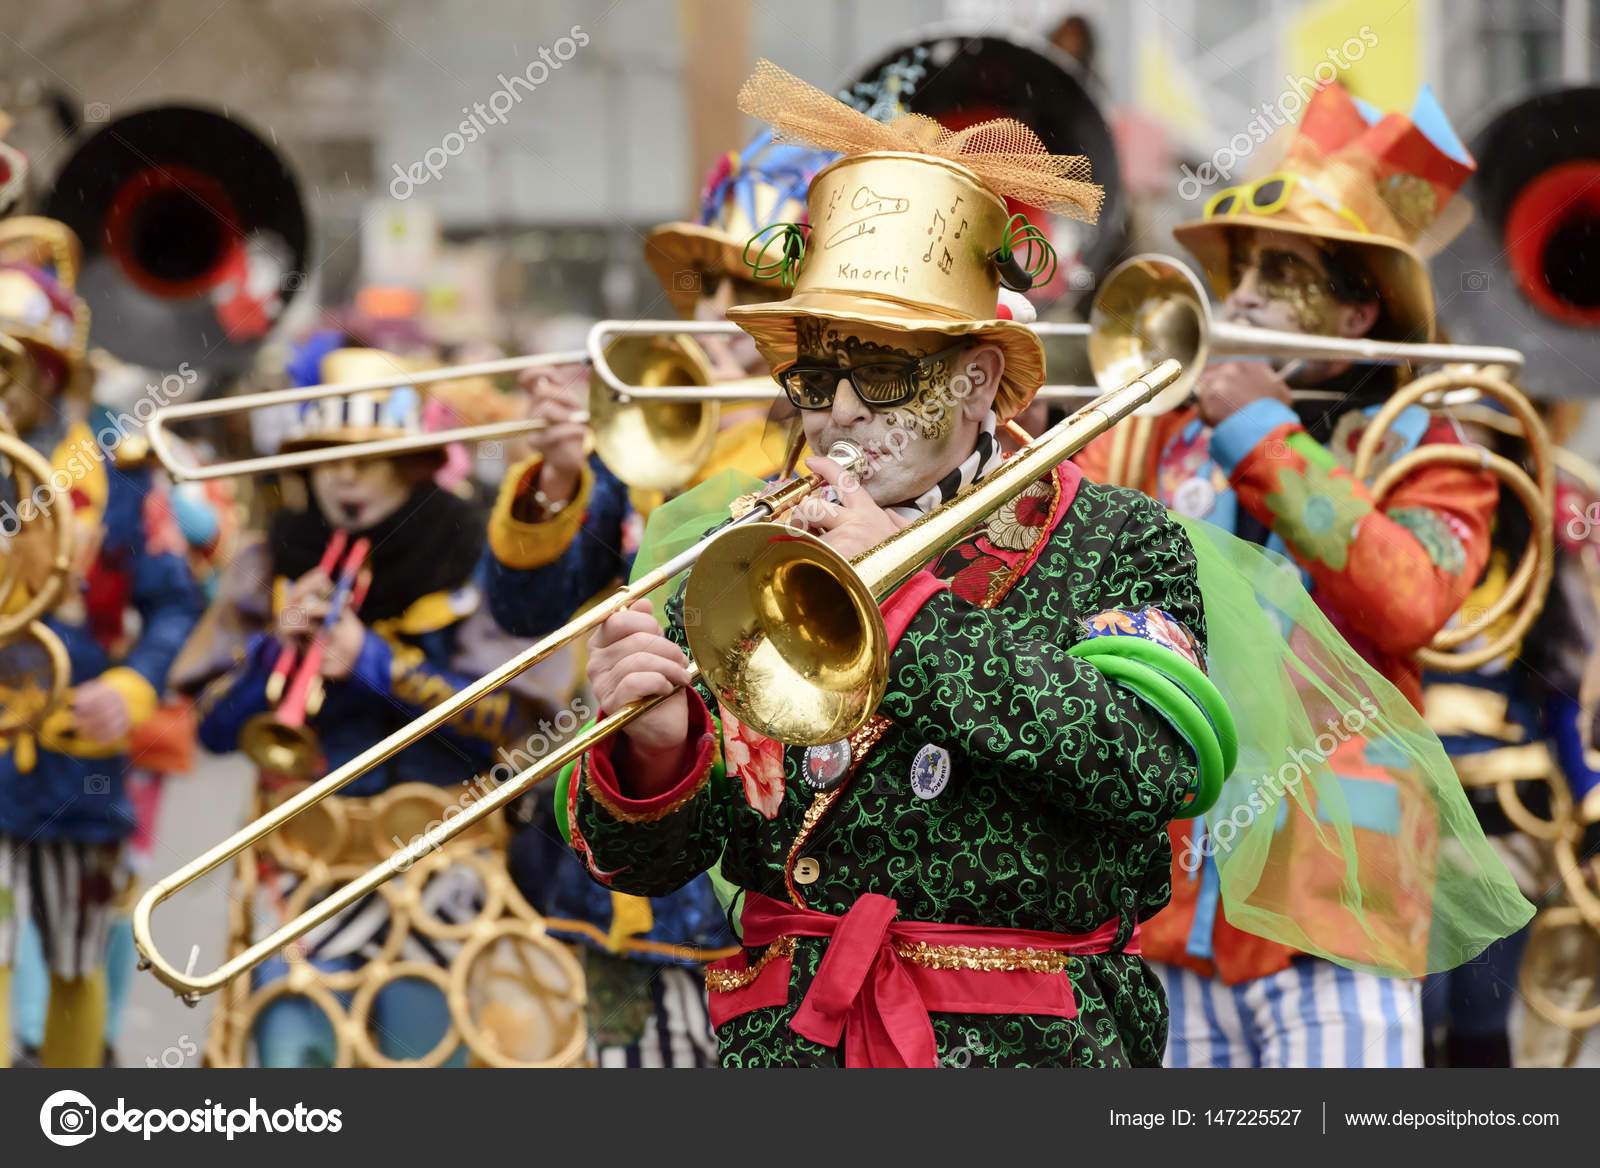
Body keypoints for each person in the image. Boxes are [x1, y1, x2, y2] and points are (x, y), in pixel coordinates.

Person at [560, 61, 1235, 1068]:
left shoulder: (1118, 538)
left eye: (878, 375)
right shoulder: (750, 548)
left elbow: (1148, 766)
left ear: (974, 381)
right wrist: (653, 753)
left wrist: (907, 602)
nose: (834, 411)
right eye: (814, 374)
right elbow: (645, 864)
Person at [1078, 82, 1500, 1067]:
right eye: (1238, 273)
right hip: (1172, 916)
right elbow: (1055, 549)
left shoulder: (1426, 447)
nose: (1241, 298)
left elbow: (1406, 601)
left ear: (1356, 313)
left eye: (1282, 271)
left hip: (1336, 914)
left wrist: (1260, 431)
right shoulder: (1158, 436)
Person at [486, 130, 835, 1067]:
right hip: (612, 850)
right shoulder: (642, 451)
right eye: (711, 292)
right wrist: (564, 481)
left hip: (741, 854)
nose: (718, 319)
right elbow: (524, 614)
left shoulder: (820, 464)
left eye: (754, 297)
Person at [182, 340, 543, 1067]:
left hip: (437, 869)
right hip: (306, 868)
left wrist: (379, 666)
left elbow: (511, 729)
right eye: (327, 456)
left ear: (412, 463)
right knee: (294, 1057)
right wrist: (274, 656)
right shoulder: (269, 560)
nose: (344, 478)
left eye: (367, 457)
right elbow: (215, 732)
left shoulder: (470, 557)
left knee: (427, 1061)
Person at [0, 231, 204, 1068]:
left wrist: (134, 686)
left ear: (51, 372)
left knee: (77, 957)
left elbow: (173, 599)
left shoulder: (113, 470)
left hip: (77, 760)